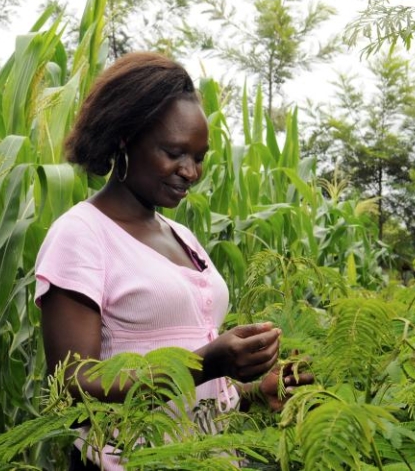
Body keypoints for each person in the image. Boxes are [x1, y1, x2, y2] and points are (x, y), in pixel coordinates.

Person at [35, 52, 312, 470]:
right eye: (175, 153)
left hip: (205, 459)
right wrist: (202, 365)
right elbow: (71, 385)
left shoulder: (183, 238)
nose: (191, 171)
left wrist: (255, 389)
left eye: (199, 157)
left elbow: (194, 378)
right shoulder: (81, 234)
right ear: (125, 138)